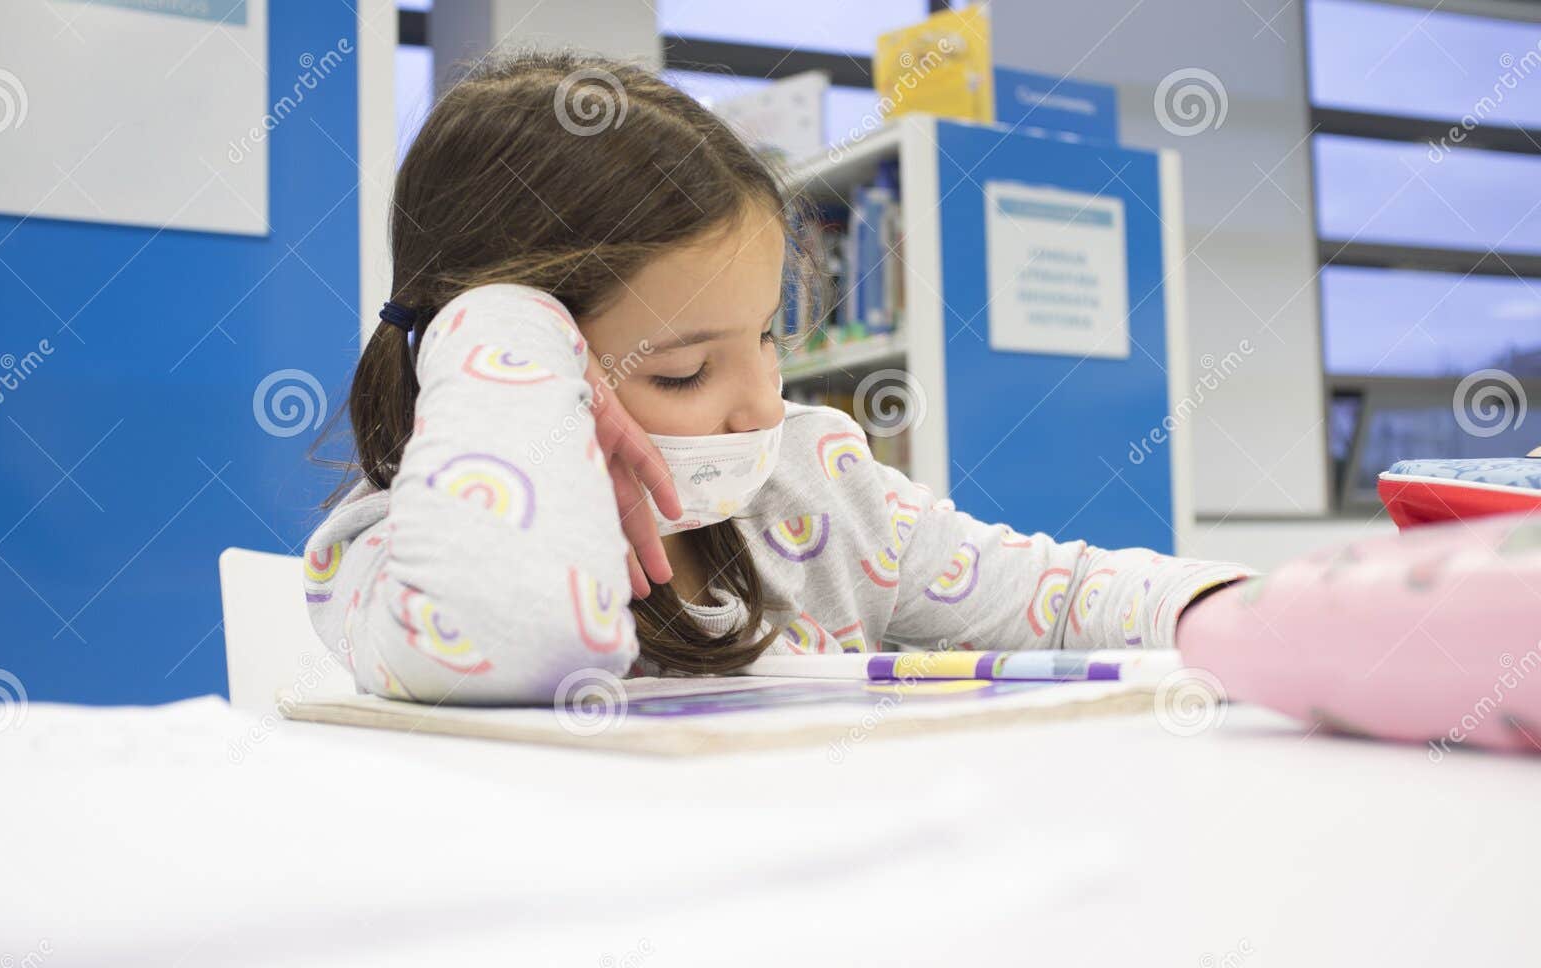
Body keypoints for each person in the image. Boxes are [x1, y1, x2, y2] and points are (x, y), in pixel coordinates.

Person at [302, 52, 1250, 704]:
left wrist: (1235, 616)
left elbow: (1058, 593)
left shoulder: (818, 483)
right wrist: (497, 316)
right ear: (516, 366)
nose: (763, 401)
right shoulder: (388, 551)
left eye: (766, 336)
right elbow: (511, 627)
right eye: (682, 371)